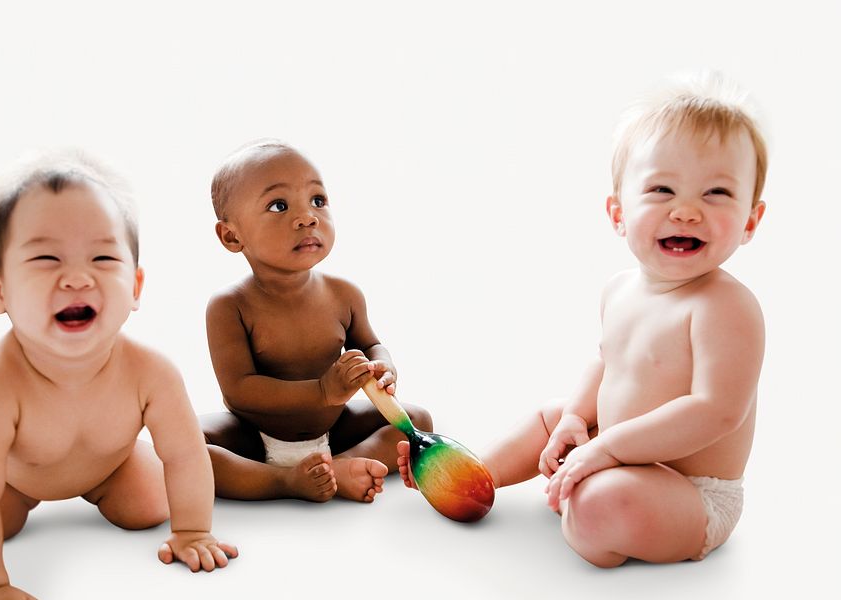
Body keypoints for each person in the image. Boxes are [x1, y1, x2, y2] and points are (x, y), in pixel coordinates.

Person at [401, 73, 767, 566]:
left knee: (601, 501)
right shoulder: (619, 289)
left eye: (716, 193)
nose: (685, 211)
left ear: (750, 220)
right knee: (550, 415)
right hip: (619, 456)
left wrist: (609, 448)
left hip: (689, 494)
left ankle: (588, 514)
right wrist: (576, 418)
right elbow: (608, 365)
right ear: (618, 213)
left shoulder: (727, 308)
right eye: (661, 190)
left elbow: (716, 411)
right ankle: (471, 477)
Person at [0, 150, 237, 600]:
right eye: (46, 259)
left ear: (134, 285)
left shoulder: (151, 371)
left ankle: (118, 487)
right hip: (15, 480)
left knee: (150, 502)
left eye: (103, 257)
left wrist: (193, 530)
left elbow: (185, 453)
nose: (77, 278)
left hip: (111, 467)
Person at [203, 140, 432, 503]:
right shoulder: (229, 306)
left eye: (318, 201)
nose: (307, 217)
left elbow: (370, 343)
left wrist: (382, 366)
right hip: (255, 434)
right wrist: (322, 391)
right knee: (188, 446)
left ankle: (339, 465)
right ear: (232, 235)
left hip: (333, 426)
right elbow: (239, 389)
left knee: (416, 422)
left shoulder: (345, 294)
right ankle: (283, 480)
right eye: (279, 206)